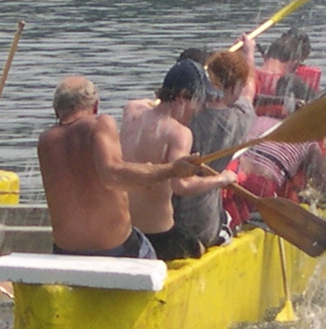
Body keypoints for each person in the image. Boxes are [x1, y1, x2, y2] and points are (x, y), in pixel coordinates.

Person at [37, 75, 209, 259]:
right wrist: (170, 170)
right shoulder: (99, 124)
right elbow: (113, 174)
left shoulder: (45, 140)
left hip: (65, 250)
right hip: (115, 250)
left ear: (57, 110)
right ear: (95, 105)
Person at [118, 59, 240, 262]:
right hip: (160, 237)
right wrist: (222, 180)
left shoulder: (131, 111)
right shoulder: (179, 133)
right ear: (183, 96)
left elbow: (143, 103)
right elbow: (181, 185)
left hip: (126, 231)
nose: (199, 109)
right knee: (203, 245)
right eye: (198, 101)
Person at [174, 49, 256, 252]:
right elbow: (249, 91)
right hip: (203, 225)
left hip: (168, 219)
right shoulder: (240, 120)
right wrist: (249, 53)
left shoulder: (179, 114)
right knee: (228, 219)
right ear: (234, 87)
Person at [252, 28, 318, 122]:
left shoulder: (248, 77)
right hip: (280, 129)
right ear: (294, 63)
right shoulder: (292, 81)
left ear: (266, 56)